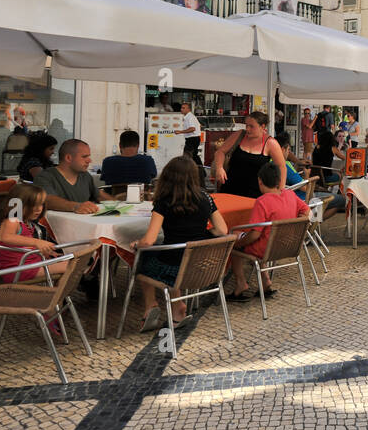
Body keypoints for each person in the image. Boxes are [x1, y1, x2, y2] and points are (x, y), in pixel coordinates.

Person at [129, 156, 228, 331]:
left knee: (144, 256)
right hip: (203, 267)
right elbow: (222, 231)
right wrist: (202, 234)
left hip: (174, 269)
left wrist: (138, 243)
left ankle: (151, 305)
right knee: (171, 255)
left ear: (168, 176)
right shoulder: (206, 198)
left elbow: (149, 240)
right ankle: (177, 306)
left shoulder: (164, 202)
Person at [228, 161, 309, 300]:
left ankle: (241, 284)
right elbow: (306, 211)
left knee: (233, 239)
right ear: (279, 180)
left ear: (260, 181)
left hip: (266, 249)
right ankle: (265, 281)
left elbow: (254, 235)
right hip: (288, 246)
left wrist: (239, 243)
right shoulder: (289, 194)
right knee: (265, 236)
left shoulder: (262, 201)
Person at [0, 184, 69, 284]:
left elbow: (21, 246)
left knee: (72, 262)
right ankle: (56, 297)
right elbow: (5, 237)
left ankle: (55, 295)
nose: (39, 209)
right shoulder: (12, 221)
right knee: (71, 265)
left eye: (41, 204)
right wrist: (37, 242)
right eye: (33, 205)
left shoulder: (26, 223)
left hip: (30, 265)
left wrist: (42, 251)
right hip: (17, 271)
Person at [211, 112, 287, 199]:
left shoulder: (270, 143)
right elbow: (220, 152)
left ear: (262, 126)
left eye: (251, 126)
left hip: (255, 193)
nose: (247, 129)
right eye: (246, 125)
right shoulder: (240, 135)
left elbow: (281, 166)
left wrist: (280, 190)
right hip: (230, 188)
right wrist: (219, 168)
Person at [33, 139, 115, 215]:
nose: (89, 160)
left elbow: (99, 195)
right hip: (56, 228)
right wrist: (76, 206)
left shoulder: (85, 176)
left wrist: (119, 202)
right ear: (68, 158)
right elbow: (48, 200)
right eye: (84, 157)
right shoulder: (45, 177)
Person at [176, 102, 204, 172]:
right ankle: (200, 171)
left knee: (188, 155)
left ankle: (194, 171)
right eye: (181, 108)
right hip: (194, 138)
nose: (181, 109)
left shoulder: (189, 117)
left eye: (183, 108)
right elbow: (199, 125)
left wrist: (180, 132)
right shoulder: (190, 116)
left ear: (188, 109)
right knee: (193, 156)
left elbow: (192, 128)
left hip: (192, 139)